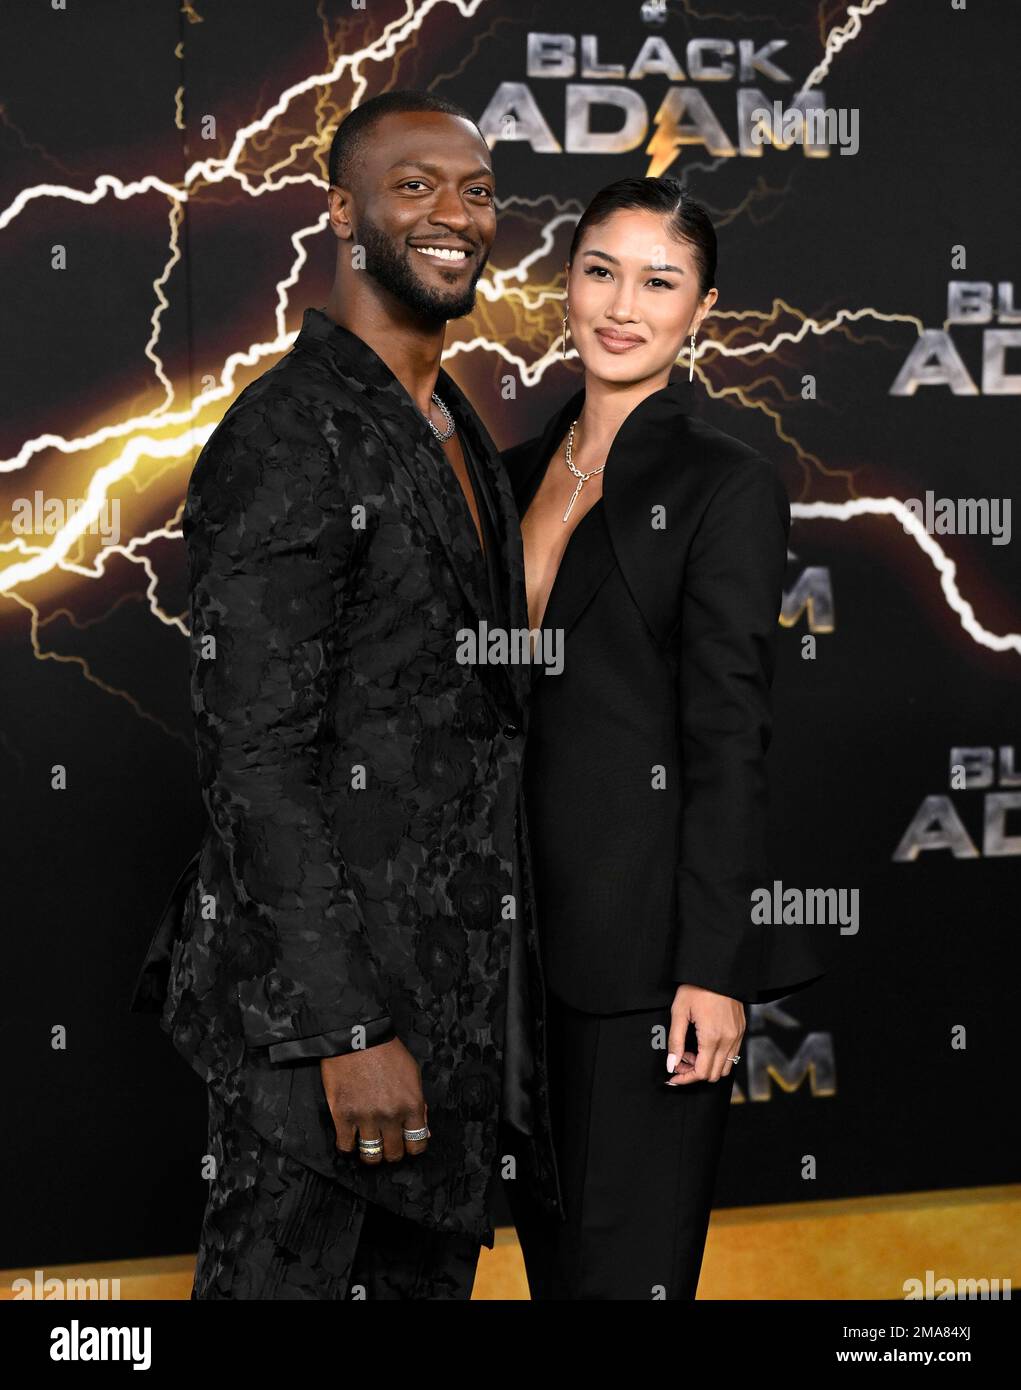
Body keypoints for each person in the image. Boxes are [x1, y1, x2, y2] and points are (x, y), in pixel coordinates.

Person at [129, 89, 563, 1300]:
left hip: (447, 1040)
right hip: (324, 1051)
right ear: (342, 212)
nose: (455, 213)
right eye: (415, 185)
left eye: (476, 190)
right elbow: (254, 759)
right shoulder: (291, 436)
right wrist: (346, 1032)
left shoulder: (450, 424)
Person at [498, 177, 826, 1300]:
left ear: (702, 309)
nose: (621, 305)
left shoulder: (723, 485)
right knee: (551, 1270)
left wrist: (709, 969)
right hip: (508, 958)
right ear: (565, 282)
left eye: (658, 280)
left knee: (619, 1280)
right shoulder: (504, 478)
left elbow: (729, 730)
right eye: (600, 270)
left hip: (643, 969)